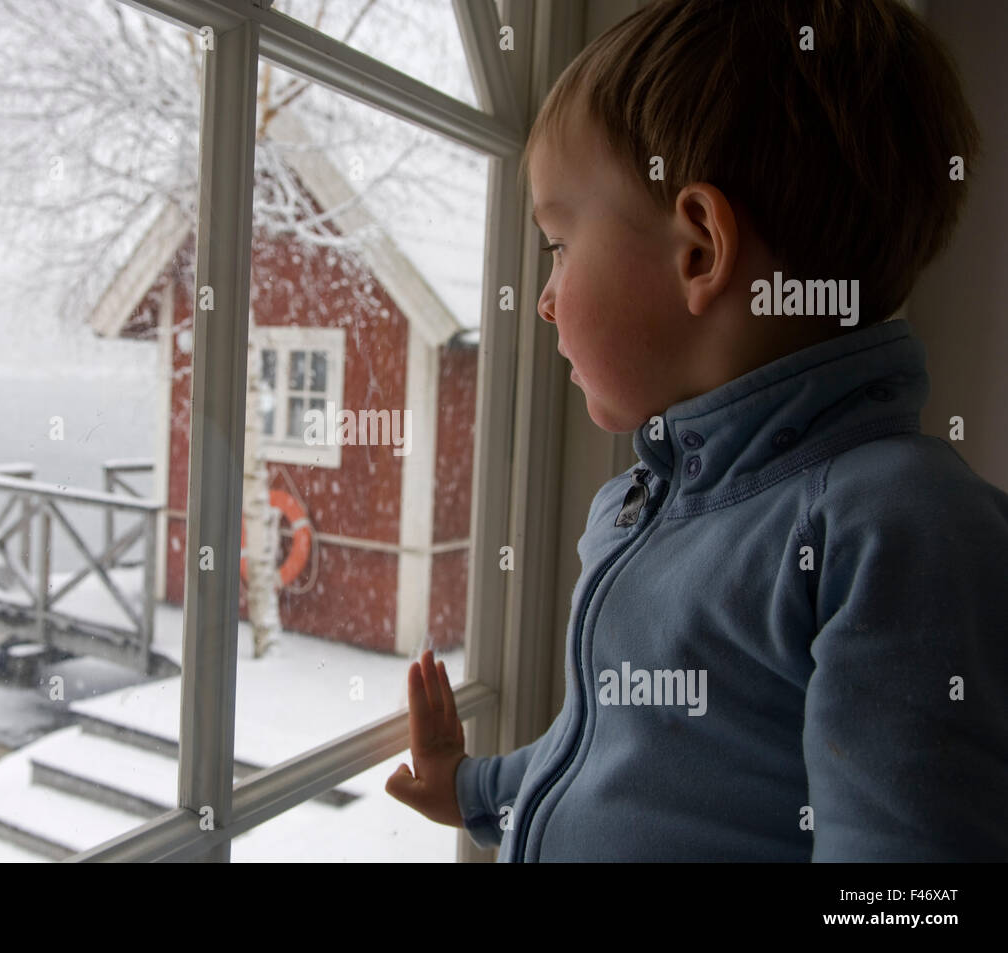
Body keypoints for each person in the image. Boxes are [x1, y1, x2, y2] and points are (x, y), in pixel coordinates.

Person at [385, 0, 1008, 861]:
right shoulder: (647, 504)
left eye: (559, 242)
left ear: (701, 252)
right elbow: (607, 748)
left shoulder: (893, 525)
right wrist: (470, 786)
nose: (544, 296)